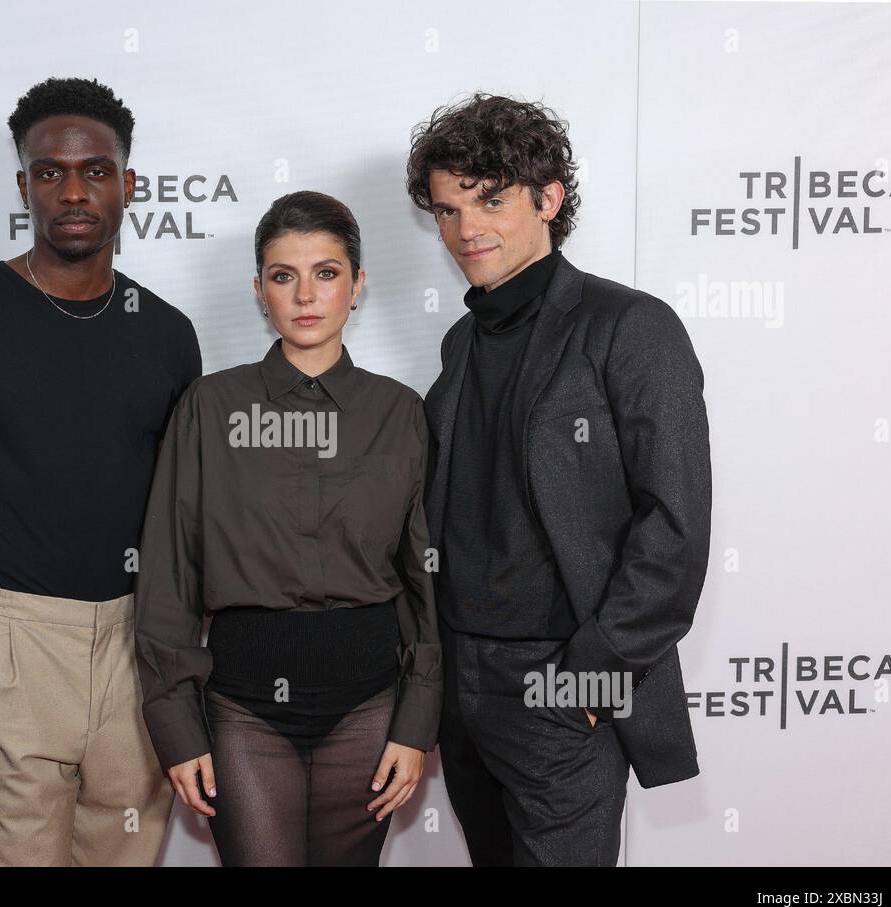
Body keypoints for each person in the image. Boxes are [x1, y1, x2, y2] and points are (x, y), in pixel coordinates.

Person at [0, 77, 200, 866]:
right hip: (7, 650)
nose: (74, 190)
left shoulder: (167, 335)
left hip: (139, 648)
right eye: (50, 172)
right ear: (23, 185)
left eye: (96, 169)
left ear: (128, 183)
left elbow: (187, 525)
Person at [406, 93, 712, 865]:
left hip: (560, 679)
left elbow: (674, 528)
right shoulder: (459, 344)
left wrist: (589, 675)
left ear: (549, 199)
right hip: (463, 683)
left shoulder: (629, 327)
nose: (466, 229)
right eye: (446, 210)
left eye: (490, 200)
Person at [133, 191, 442, 866]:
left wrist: (417, 722)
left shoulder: (401, 414)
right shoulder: (208, 408)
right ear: (259, 290)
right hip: (243, 709)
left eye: (326, 273)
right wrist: (176, 725)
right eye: (283, 275)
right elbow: (167, 575)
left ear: (357, 285)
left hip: (369, 707)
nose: (306, 294)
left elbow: (426, 583)